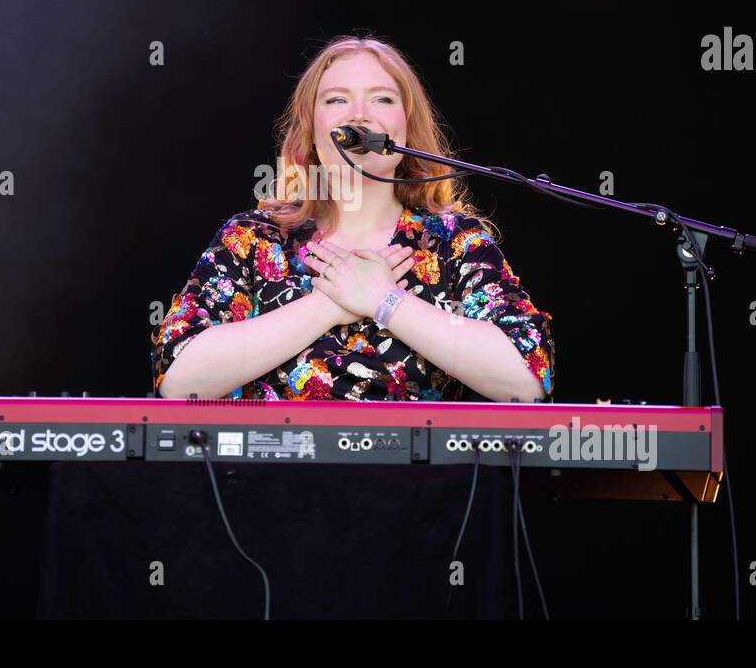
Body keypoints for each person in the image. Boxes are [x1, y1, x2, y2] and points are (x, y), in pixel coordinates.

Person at [150, 35, 555, 402]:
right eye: (337, 100)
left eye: (382, 99)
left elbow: (527, 379)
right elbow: (179, 380)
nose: (359, 115)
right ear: (310, 131)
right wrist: (330, 303)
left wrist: (384, 301)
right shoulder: (255, 238)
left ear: (407, 129)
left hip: (428, 484)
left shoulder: (453, 240)